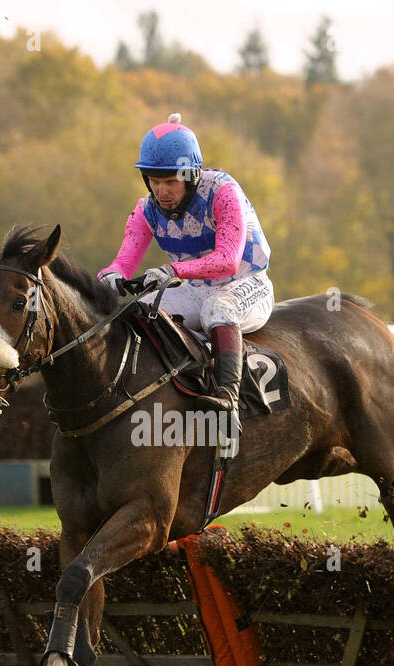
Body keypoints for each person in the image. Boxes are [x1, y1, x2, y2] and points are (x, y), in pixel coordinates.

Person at [98, 113, 273, 436]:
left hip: (246, 283)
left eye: (170, 182)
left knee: (217, 309)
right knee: (139, 311)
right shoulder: (145, 210)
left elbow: (227, 261)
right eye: (154, 181)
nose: (162, 191)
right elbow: (121, 263)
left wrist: (171, 270)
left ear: (191, 177)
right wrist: (109, 277)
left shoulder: (223, 192)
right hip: (196, 287)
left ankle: (227, 398)